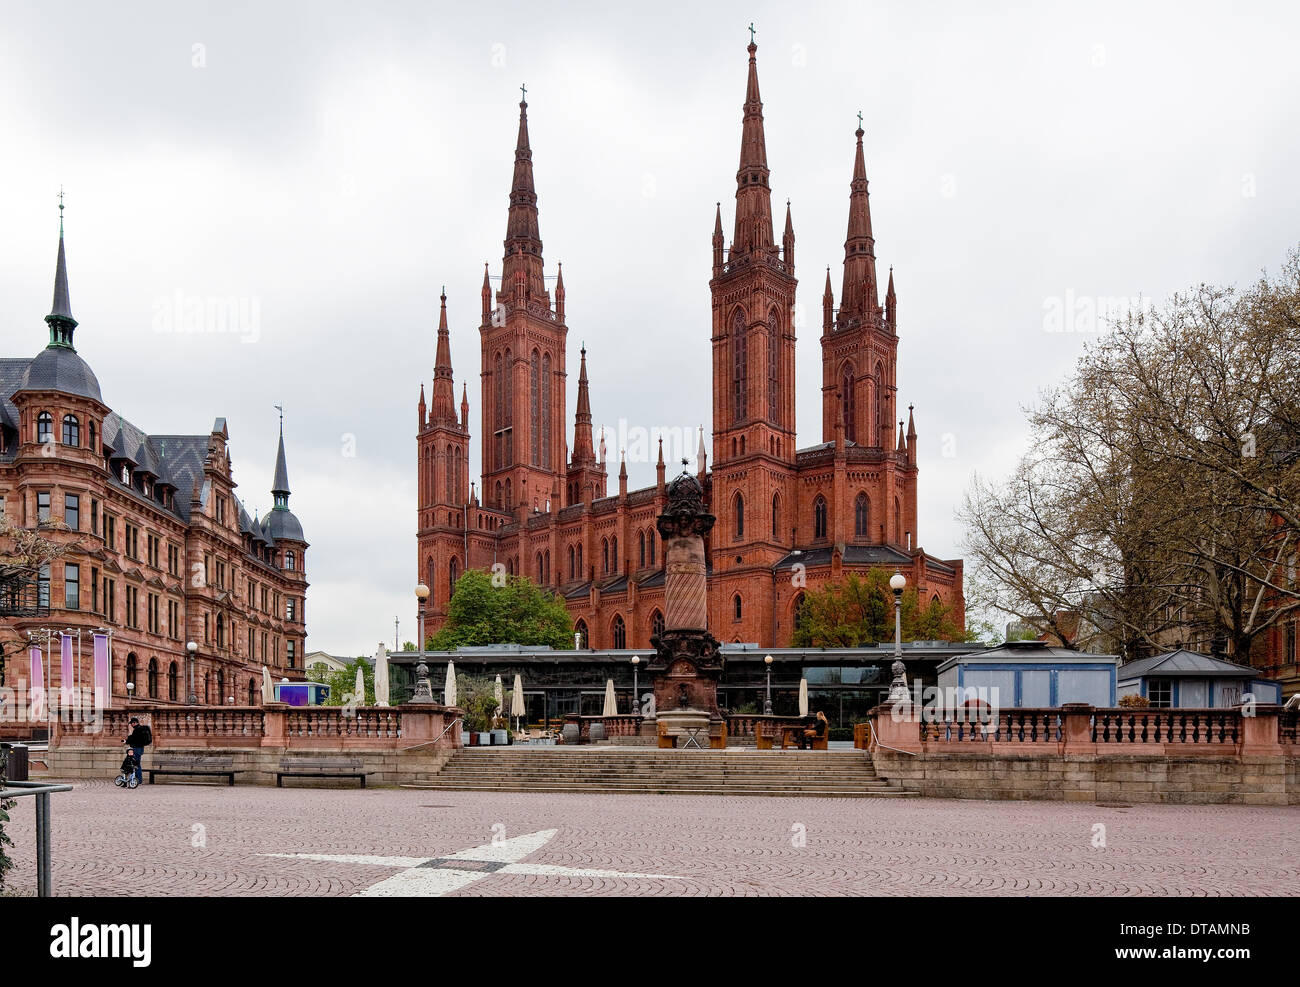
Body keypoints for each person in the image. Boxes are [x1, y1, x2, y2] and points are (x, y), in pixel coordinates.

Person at [124, 716, 152, 785]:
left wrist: (127, 741)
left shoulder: (137, 730)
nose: (131, 725)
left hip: (137, 749)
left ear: (134, 723)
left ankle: (138, 780)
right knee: (136, 764)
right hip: (140, 748)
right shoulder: (140, 729)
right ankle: (137, 778)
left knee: (136, 764)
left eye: (131, 723)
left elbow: (134, 739)